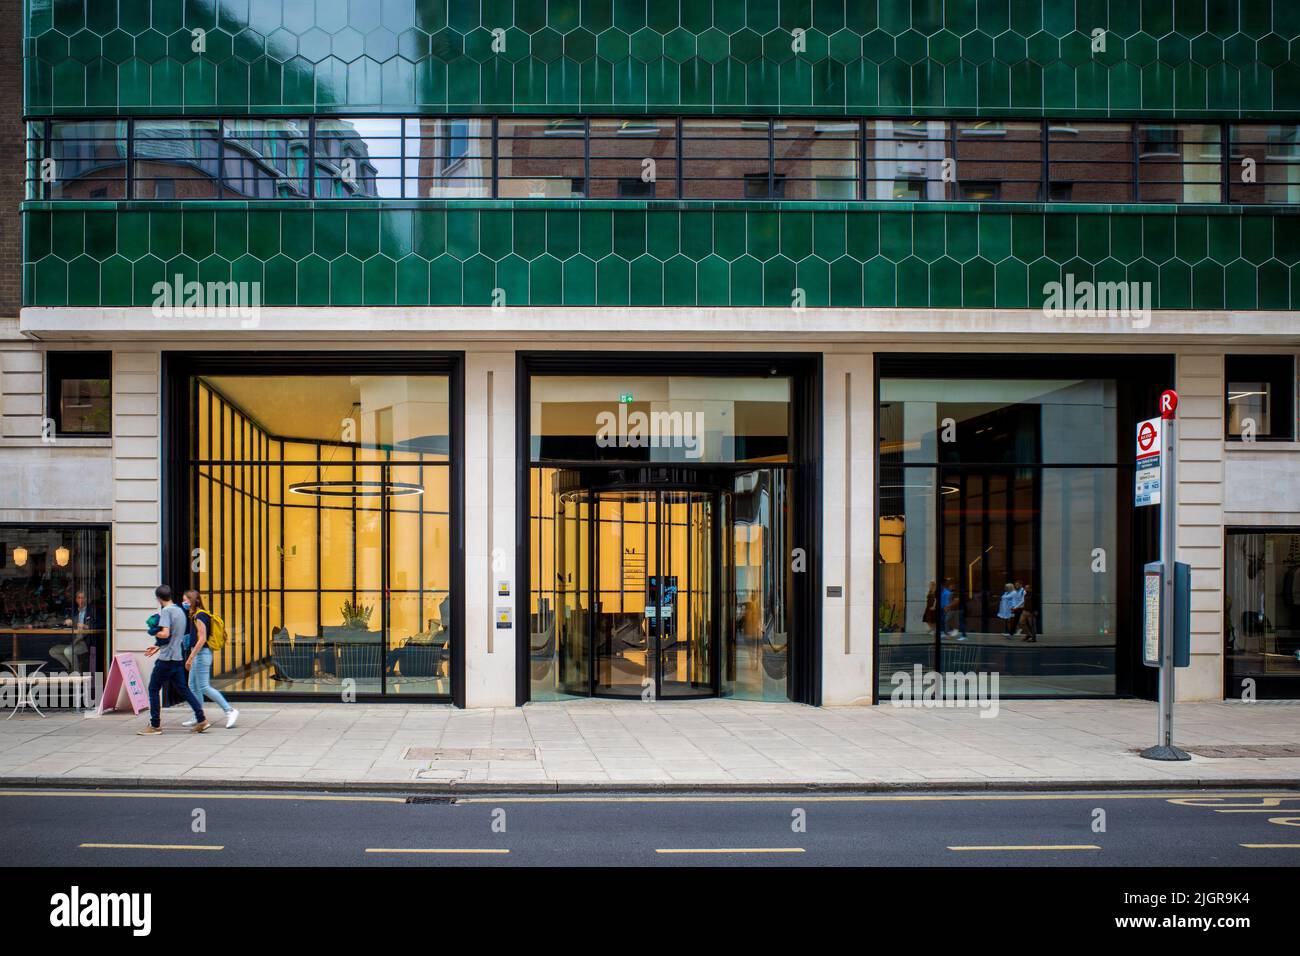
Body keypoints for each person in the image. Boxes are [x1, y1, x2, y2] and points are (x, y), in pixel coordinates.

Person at [138, 585, 208, 735]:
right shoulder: (179, 611)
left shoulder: (166, 611)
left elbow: (166, 633)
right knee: (184, 689)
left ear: (158, 598)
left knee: (153, 689)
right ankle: (201, 719)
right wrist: (157, 646)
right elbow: (176, 636)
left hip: (166, 659)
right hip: (177, 657)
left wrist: (154, 631)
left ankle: (155, 725)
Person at [182, 590, 238, 729]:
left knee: (203, 686)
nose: (184, 603)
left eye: (186, 601)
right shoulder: (196, 615)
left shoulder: (200, 615)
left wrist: (190, 658)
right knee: (193, 686)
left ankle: (229, 710)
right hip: (199, 655)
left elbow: (202, 639)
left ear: (194, 601)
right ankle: (198, 715)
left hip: (201, 655)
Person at [49, 590, 94, 671]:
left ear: (87, 599)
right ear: (76, 600)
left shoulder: (92, 611)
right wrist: (65, 621)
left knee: (68, 651)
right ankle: (69, 667)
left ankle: (76, 673)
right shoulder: (74, 611)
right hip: (73, 642)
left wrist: (85, 626)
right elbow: (64, 620)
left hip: (85, 642)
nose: (81, 600)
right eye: (79, 598)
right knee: (53, 651)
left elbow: (99, 624)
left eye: (83, 598)